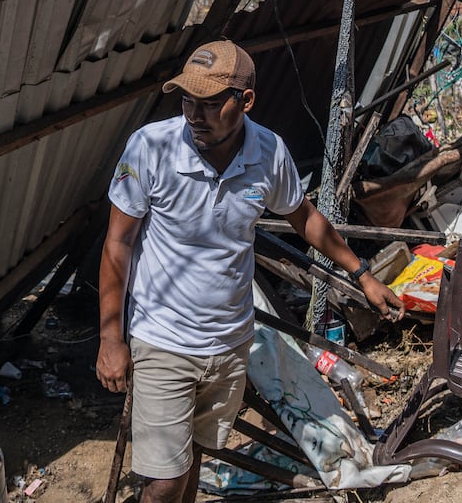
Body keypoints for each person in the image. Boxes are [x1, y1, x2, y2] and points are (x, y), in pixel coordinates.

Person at [96, 39, 403, 503]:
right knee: (163, 483)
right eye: (187, 100)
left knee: (195, 458)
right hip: (163, 340)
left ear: (246, 101)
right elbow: (118, 243)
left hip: (229, 342)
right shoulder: (151, 148)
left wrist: (362, 274)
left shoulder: (267, 153)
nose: (194, 115)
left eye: (209, 103)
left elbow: (306, 218)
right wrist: (110, 339)